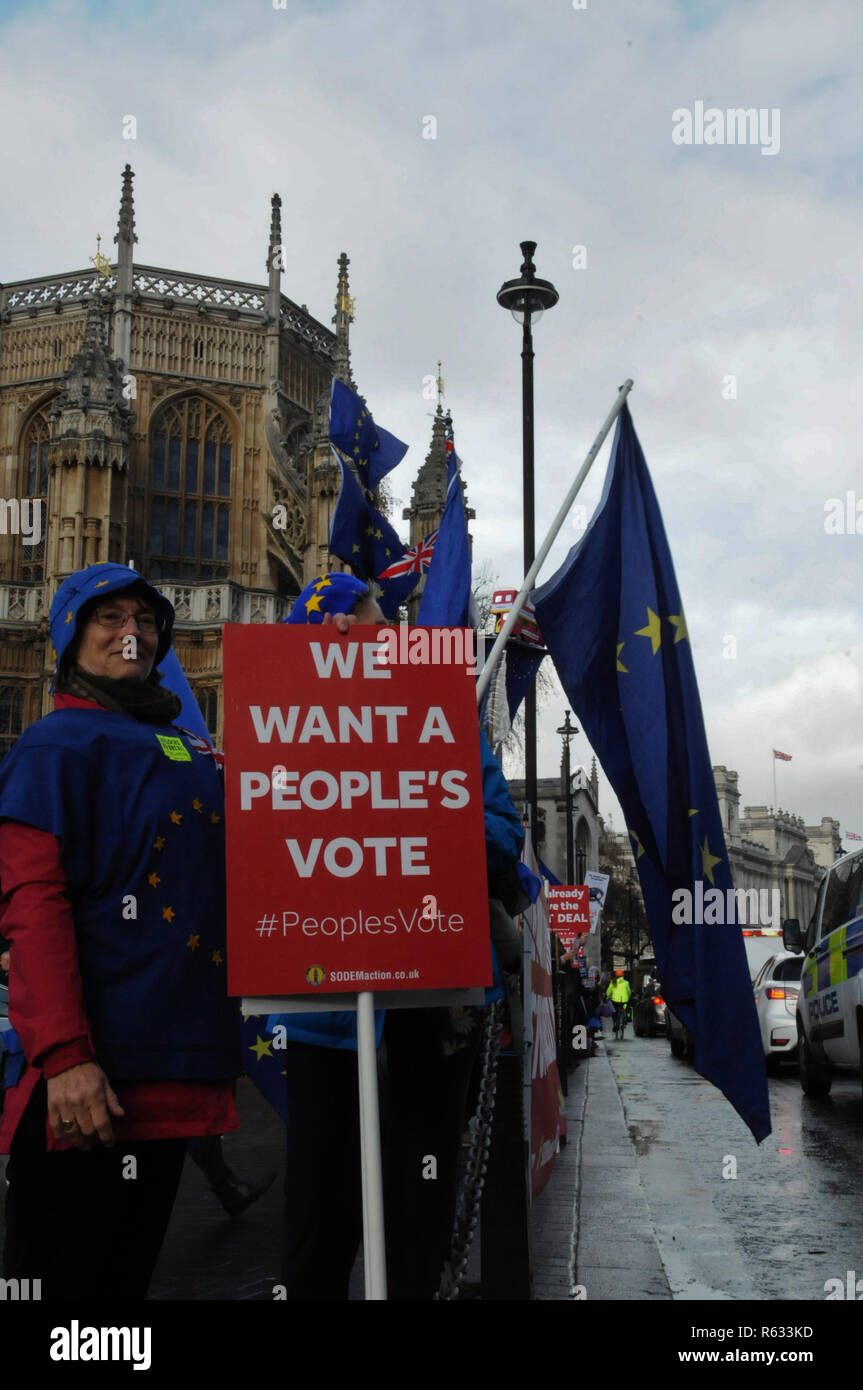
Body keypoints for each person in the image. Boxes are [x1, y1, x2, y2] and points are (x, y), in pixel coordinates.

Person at [273, 573, 524, 1300]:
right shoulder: (282, 729)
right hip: (326, 1020)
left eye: (383, 625)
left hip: (430, 1007)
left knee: (417, 1219)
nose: (379, 636)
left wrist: (435, 817)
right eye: (362, 624)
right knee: (318, 1225)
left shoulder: (444, 719)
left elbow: (504, 835)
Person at [0, 562, 242, 1299]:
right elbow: (34, 907)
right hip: (86, 1081)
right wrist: (66, 1057)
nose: (130, 633)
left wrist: (330, 657)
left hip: (168, 1066)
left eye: (143, 621)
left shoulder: (185, 745)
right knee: (62, 1289)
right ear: (71, 637)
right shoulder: (54, 746)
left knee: (121, 1287)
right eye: (109, 619)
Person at [606, 971, 632, 1035]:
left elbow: (608, 992)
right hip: (624, 1002)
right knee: (625, 1008)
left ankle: (615, 1023)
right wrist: (628, 997)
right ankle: (625, 1019)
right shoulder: (626, 982)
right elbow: (629, 992)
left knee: (614, 1012)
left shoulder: (613, 982)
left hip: (615, 1002)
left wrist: (607, 997)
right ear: (623, 975)